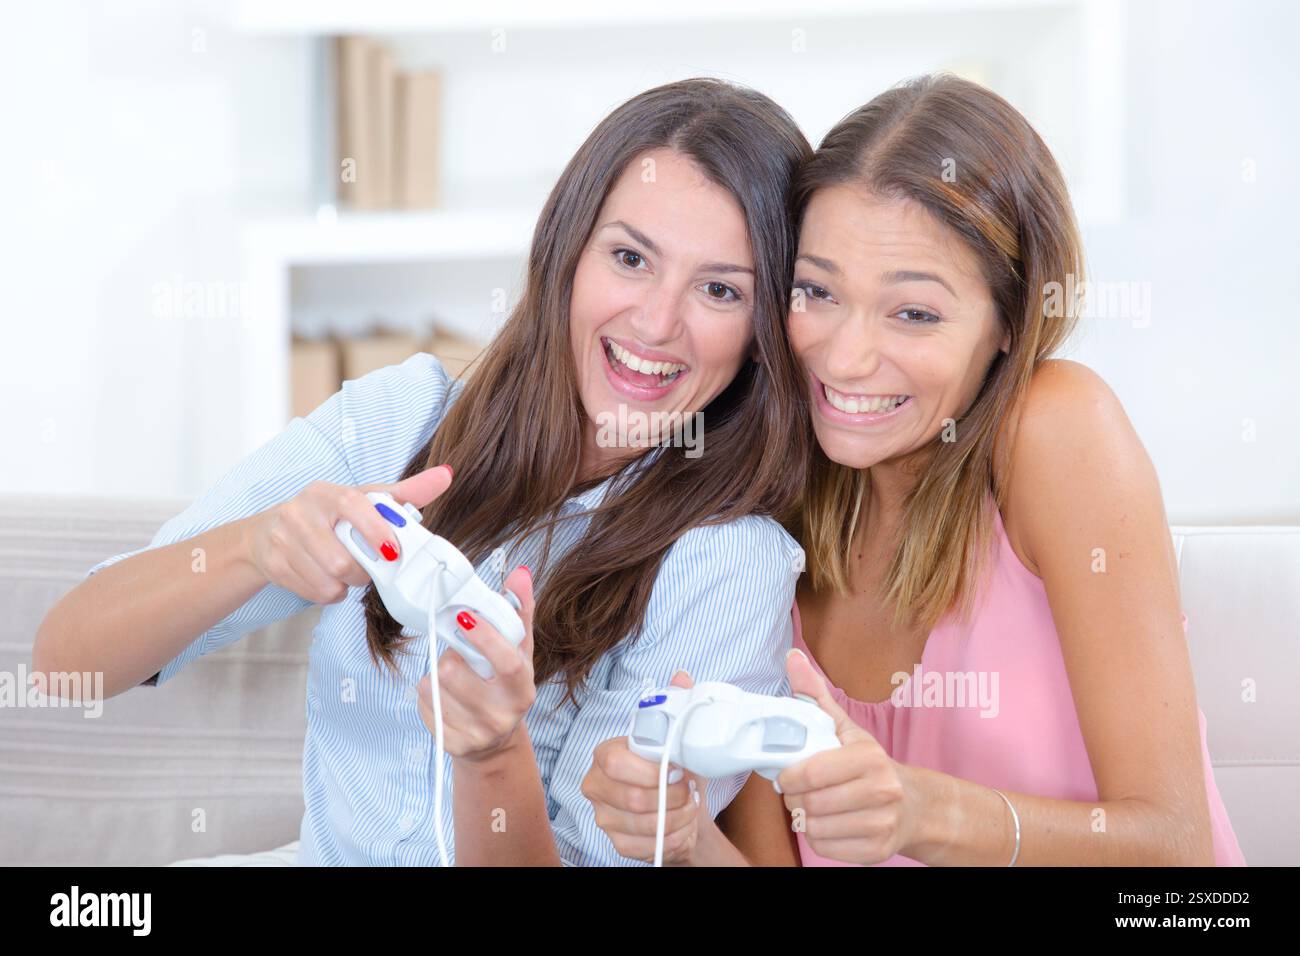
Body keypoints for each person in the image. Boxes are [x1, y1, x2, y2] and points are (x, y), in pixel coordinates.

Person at [34, 78, 813, 866]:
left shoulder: (729, 564)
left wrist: (491, 755)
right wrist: (255, 546)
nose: (654, 322)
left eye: (719, 289)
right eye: (629, 257)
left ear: (764, 333)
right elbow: (68, 666)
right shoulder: (400, 420)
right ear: (567, 252)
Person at [583, 74, 1246, 867]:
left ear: (1010, 320)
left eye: (914, 312)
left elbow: (1177, 847)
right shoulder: (766, 500)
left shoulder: (1056, 433)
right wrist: (683, 833)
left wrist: (921, 812)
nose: (847, 357)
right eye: (817, 292)